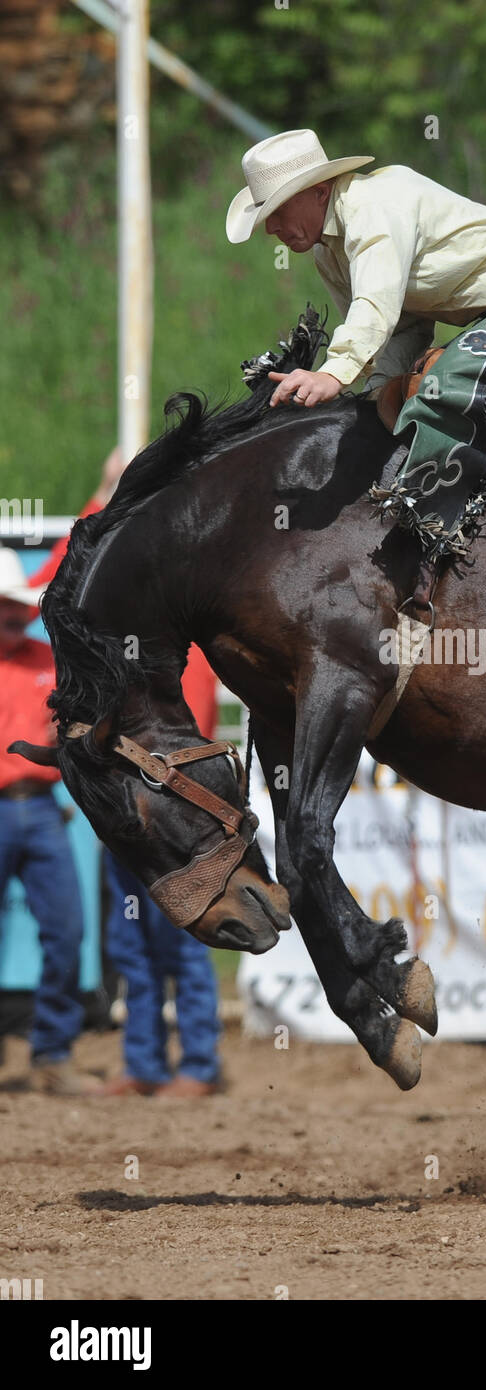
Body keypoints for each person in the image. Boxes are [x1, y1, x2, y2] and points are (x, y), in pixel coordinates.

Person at [225, 128, 486, 561]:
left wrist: (334, 372)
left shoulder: (372, 205)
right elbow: (401, 326)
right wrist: (378, 393)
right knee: (401, 402)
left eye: (277, 211)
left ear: (317, 191)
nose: (272, 228)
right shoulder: (328, 251)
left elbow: (375, 305)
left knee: (446, 380)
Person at [30, 449, 223, 1099]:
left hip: (176, 789)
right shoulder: (110, 627)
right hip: (126, 788)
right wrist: (102, 494)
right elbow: (60, 580)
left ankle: (197, 1062)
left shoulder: (180, 615)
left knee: (179, 926)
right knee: (131, 931)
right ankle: (146, 1061)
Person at [0, 547, 95, 1095]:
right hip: (20, 811)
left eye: (18, 606)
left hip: (39, 808)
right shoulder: (41, 661)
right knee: (63, 928)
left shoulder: (48, 662)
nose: (16, 614)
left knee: (67, 930)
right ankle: (51, 1053)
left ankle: (53, 1053)